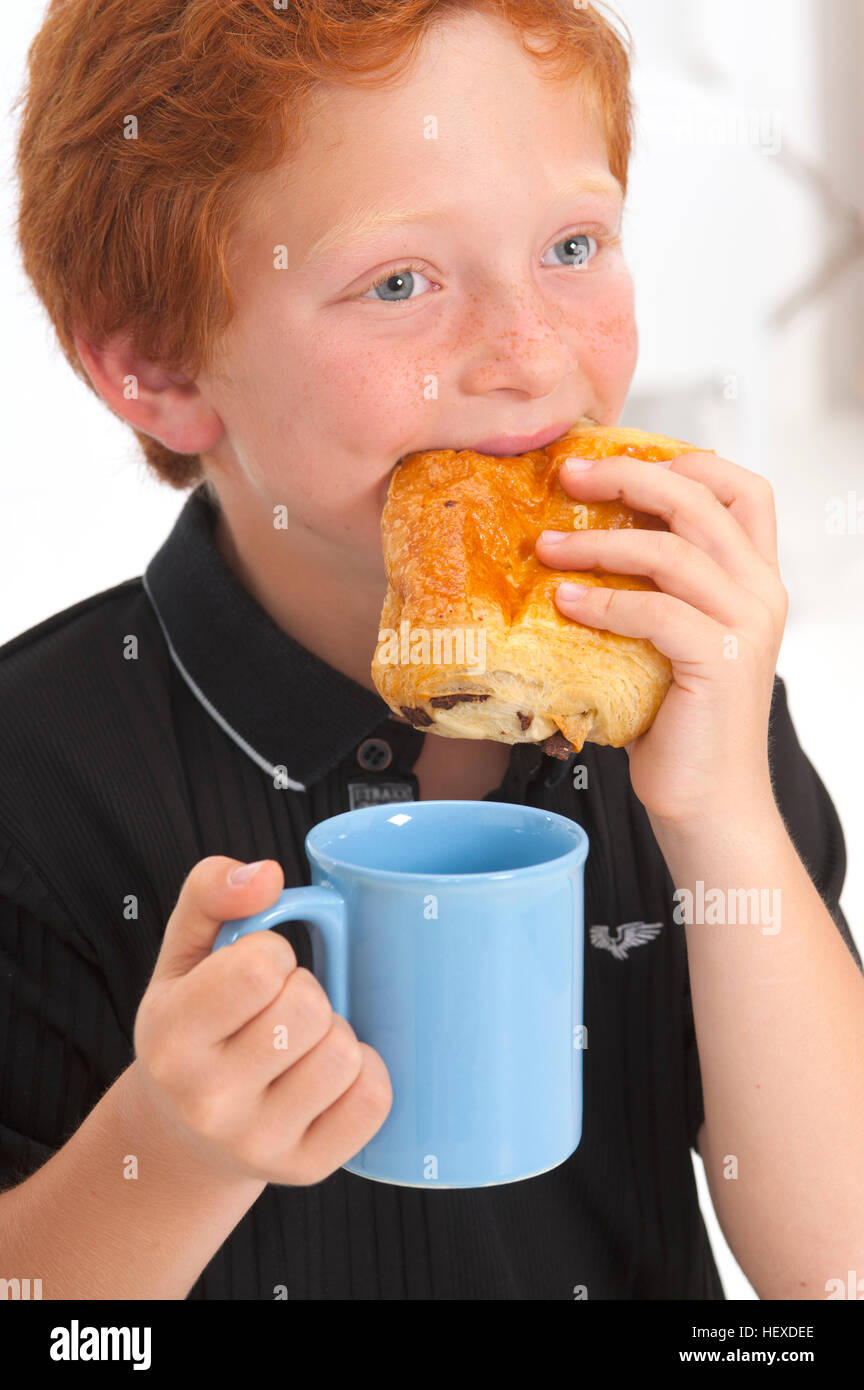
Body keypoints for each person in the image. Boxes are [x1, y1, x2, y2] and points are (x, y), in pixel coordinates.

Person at [2, 0, 861, 1301]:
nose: (532, 356)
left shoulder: (683, 692)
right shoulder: (36, 779)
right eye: (401, 281)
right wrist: (166, 1152)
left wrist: (725, 810)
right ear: (156, 365)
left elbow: (834, 1260)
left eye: (574, 244)